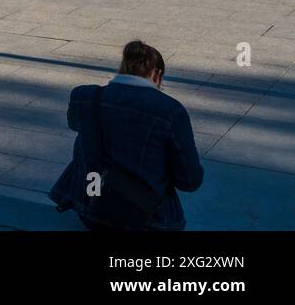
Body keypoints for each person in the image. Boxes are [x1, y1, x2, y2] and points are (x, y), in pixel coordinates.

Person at [49, 40, 203, 230]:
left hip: (89, 209)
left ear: (122, 68)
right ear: (156, 74)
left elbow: (74, 124)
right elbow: (189, 181)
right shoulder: (171, 111)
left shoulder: (84, 96)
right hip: (148, 219)